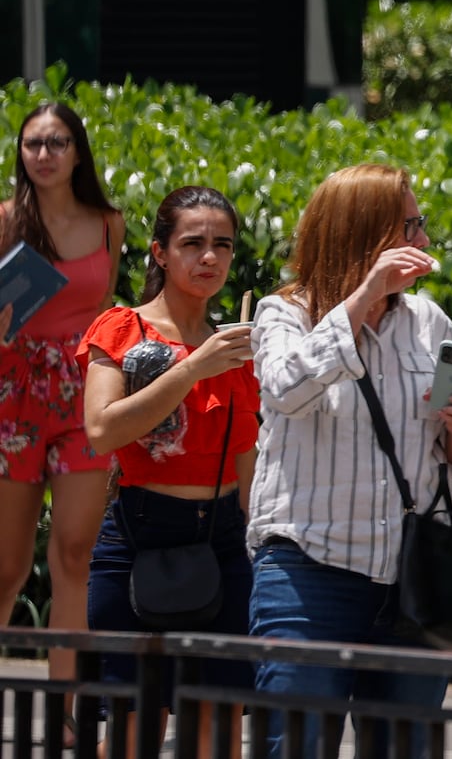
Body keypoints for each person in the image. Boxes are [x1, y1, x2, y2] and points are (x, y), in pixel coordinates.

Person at [246, 164, 452, 758]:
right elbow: (284, 389)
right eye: (409, 226)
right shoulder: (285, 314)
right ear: (364, 234)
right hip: (307, 576)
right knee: (292, 748)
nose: (424, 241)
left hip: (409, 582)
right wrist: (362, 297)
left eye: (421, 224)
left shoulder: (430, 322)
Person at [80, 186, 258, 755]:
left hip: (222, 541)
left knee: (218, 733)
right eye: (193, 243)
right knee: (134, 732)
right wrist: (192, 367)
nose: (210, 257)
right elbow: (103, 429)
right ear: (159, 252)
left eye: (222, 245)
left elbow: (247, 459)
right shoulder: (122, 327)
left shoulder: (236, 346)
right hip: (139, 534)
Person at [0, 103, 124, 702]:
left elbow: (109, 310)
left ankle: (66, 705)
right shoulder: (3, 222)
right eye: (32, 144)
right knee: (7, 567)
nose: (44, 154)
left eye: (56, 142)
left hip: (84, 394)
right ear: (20, 154)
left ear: (78, 151)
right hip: (11, 397)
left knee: (76, 555)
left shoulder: (108, 224)